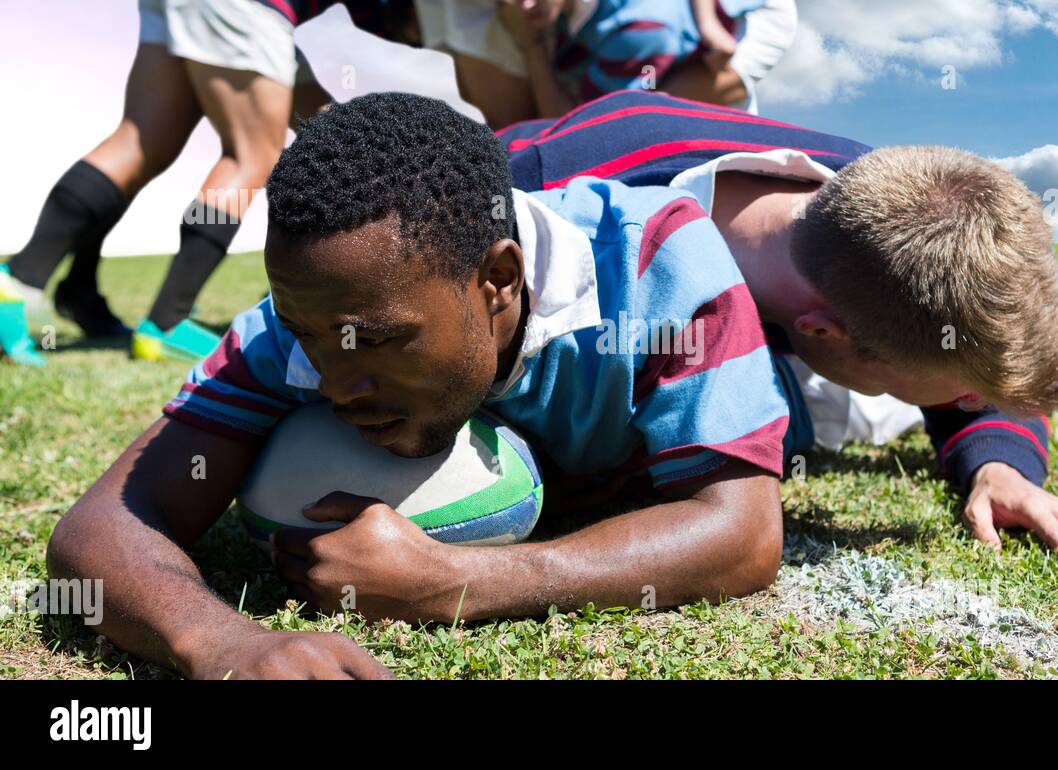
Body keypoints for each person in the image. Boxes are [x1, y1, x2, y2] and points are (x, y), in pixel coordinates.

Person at [47, 93, 792, 679]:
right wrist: (218, 641)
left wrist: (456, 582)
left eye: (375, 341)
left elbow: (741, 533)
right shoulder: (295, 329)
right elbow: (104, 526)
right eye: (311, 337)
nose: (337, 381)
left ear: (498, 280)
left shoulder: (659, 270)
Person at [501, 90, 1058, 559]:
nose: (963, 401)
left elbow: (967, 342)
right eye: (952, 393)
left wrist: (1000, 460)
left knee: (870, 411)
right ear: (826, 334)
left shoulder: (901, 215)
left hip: (809, 361)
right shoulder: (540, 196)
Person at [0, 0, 415, 367]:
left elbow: (313, 103)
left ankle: (19, 280)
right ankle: (167, 320)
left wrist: (364, 142)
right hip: (251, 8)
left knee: (140, 143)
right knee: (250, 156)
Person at [414, 0, 795, 129]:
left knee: (631, 121)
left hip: (742, 32)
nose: (521, 4)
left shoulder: (634, 35)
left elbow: (574, 128)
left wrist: (532, 47)